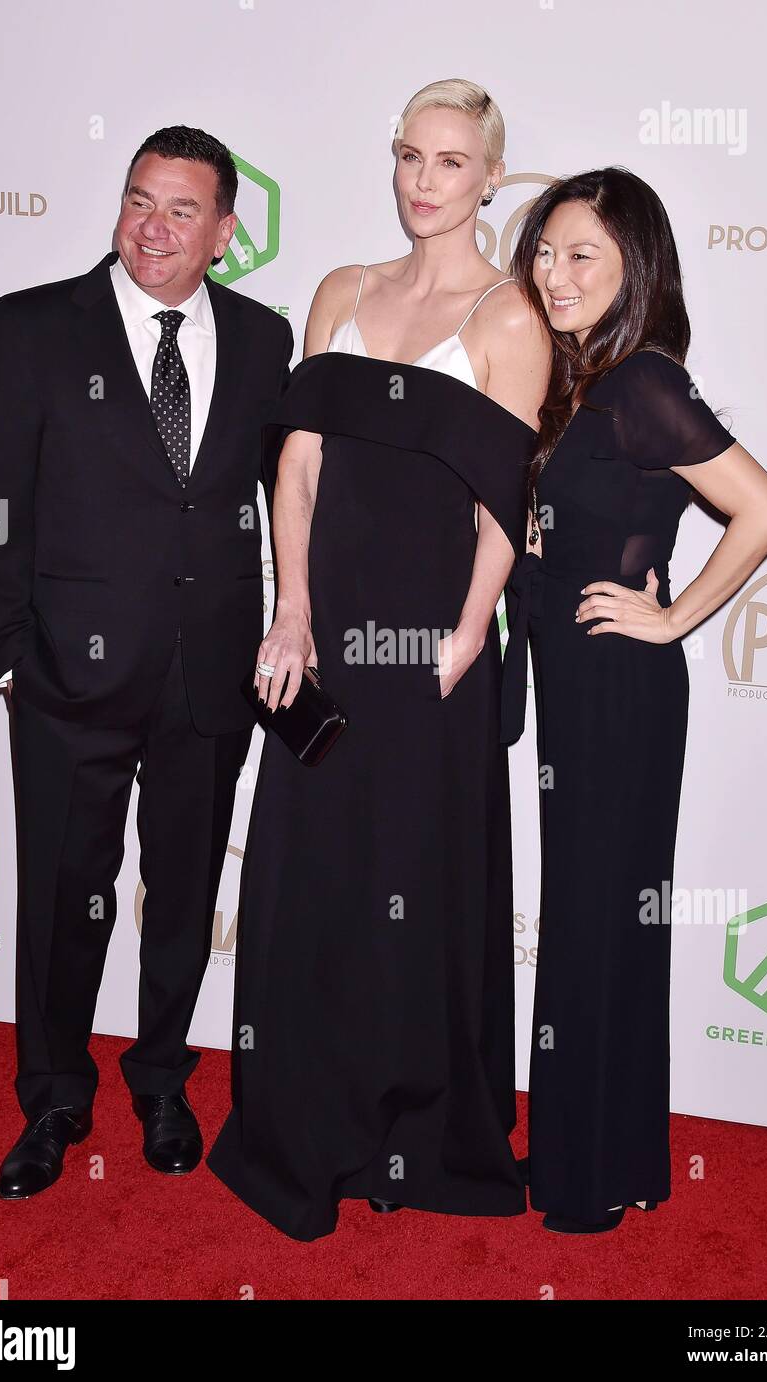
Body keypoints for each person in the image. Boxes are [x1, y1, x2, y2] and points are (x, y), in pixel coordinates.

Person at [205, 79, 550, 1241]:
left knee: (418, 881)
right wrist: (290, 608)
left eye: (451, 162)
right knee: (312, 878)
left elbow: (507, 507)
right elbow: (296, 464)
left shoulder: (511, 320)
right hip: (327, 626)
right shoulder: (341, 291)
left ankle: (415, 1130)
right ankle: (304, 1120)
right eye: (410, 154)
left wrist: (466, 632)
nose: (423, 179)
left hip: (432, 650)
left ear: (490, 177)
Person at [0, 125, 293, 1199]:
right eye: (139, 200)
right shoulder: (32, 326)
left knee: (186, 890)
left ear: (225, 232)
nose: (154, 226)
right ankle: (53, 1099)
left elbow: (283, 496)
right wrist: (7, 649)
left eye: (182, 210)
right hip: (67, 675)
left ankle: (160, 1080)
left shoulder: (262, 338)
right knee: (64, 894)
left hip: (209, 675)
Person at [501, 167, 767, 1233]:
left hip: (620, 691)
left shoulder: (643, 384)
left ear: (637, 270)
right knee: (592, 921)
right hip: (573, 688)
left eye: (583, 254)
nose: (556, 271)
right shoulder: (583, 378)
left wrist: (674, 617)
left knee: (597, 920)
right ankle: (600, 1152)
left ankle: (586, 1176)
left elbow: (763, 510)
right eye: (545, 250)